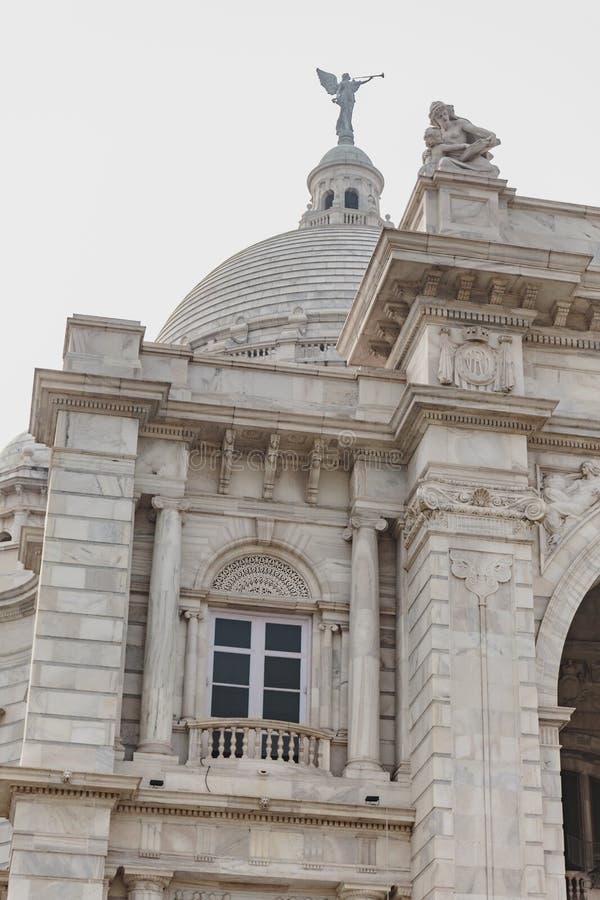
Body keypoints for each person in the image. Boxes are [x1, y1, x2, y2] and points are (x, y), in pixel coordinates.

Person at [422, 101, 501, 177]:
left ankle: (464, 174)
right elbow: (434, 149)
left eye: (445, 114)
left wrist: (490, 135)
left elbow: (476, 130)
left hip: (469, 157)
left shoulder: (459, 123)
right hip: (452, 160)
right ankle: (464, 174)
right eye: (440, 117)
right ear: (435, 121)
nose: (444, 118)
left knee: (493, 170)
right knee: (444, 163)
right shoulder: (437, 133)